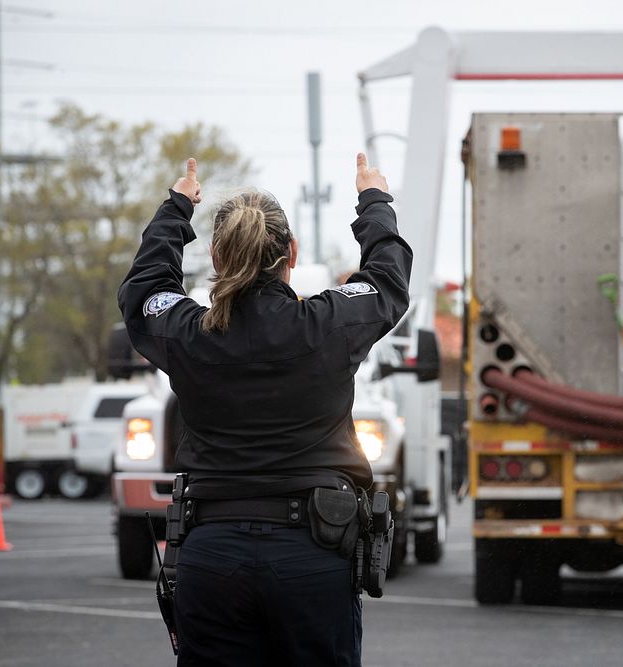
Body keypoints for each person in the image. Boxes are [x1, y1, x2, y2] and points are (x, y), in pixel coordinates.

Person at [117, 154, 412, 666]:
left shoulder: (190, 333)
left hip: (212, 557)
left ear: (215, 254)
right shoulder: (328, 325)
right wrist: (374, 201)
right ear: (291, 253)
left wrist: (176, 208)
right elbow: (387, 281)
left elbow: (144, 291)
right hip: (313, 556)